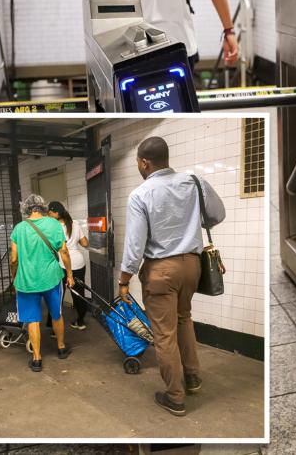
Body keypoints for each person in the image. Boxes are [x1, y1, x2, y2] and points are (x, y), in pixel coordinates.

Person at [120, 136, 225, 416]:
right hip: (192, 265)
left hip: (161, 271)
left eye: (138, 163)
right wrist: (187, 222)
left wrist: (124, 279)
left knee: (164, 334)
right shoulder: (193, 181)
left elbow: (135, 245)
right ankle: (192, 377)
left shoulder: (140, 194)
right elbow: (216, 215)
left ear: (144, 162)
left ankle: (175, 396)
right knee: (184, 319)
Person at [10, 194, 74, 372]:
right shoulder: (53, 224)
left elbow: (13, 259)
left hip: (27, 281)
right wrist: (69, 274)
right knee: (57, 314)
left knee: (32, 320)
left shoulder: (19, 229)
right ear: (42, 207)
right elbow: (64, 252)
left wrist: (14, 275)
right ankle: (61, 348)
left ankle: (37, 359)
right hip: (52, 278)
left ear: (27, 209)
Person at [48, 201, 90, 331]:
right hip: (78, 262)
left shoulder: (53, 227)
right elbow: (85, 243)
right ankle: (80, 321)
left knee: (56, 295)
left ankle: (53, 326)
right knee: (78, 293)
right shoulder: (75, 224)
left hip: (61, 263)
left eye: (49, 212)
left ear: (55, 213)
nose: (48, 215)